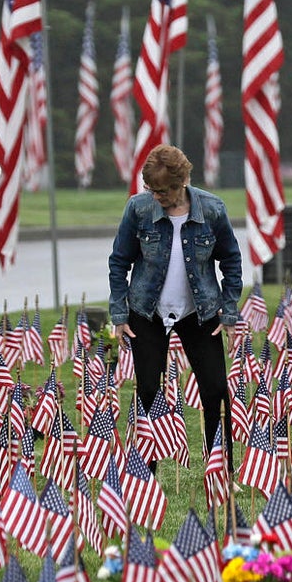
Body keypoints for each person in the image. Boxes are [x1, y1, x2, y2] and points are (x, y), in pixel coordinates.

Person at [108, 144, 241, 456]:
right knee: (149, 393)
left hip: (200, 312)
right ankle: (145, 473)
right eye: (151, 190)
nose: (157, 196)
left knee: (216, 391)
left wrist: (229, 313)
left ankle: (221, 467)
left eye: (163, 191)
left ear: (182, 182)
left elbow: (231, 262)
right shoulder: (138, 209)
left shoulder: (212, 209)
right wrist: (119, 313)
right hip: (147, 311)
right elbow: (119, 261)